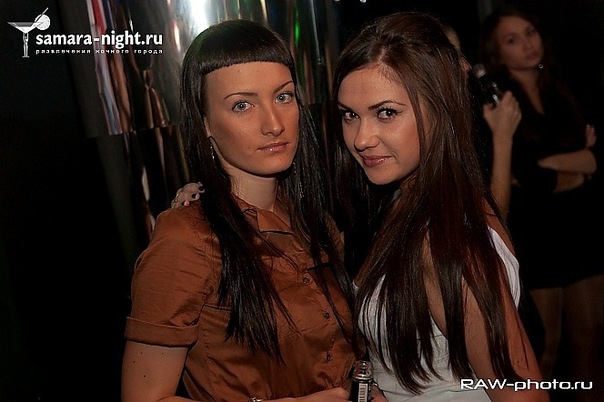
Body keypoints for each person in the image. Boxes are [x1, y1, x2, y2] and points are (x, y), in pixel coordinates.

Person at [175, 11, 547, 401]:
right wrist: (212, 201)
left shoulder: (447, 240)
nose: (361, 138)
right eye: (350, 115)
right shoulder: (405, 202)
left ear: (440, 108)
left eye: (386, 113)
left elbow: (525, 395)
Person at [121, 19, 368, 402]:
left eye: (283, 97)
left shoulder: (314, 222)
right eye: (242, 105)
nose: (274, 124)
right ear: (205, 122)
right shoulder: (188, 239)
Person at [479, 6, 603, 400]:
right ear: (498, 53)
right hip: (535, 235)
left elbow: (594, 160)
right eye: (512, 40)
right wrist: (572, 166)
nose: (527, 44)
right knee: (542, 350)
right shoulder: (499, 103)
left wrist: (547, 166)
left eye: (530, 32)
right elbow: (523, 176)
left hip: (580, 226)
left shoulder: (563, 87)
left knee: (590, 340)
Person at [443, 23, 521, 220]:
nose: (467, 66)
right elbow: (490, 224)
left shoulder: (459, 119)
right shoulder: (431, 131)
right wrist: (503, 137)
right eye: (453, 55)